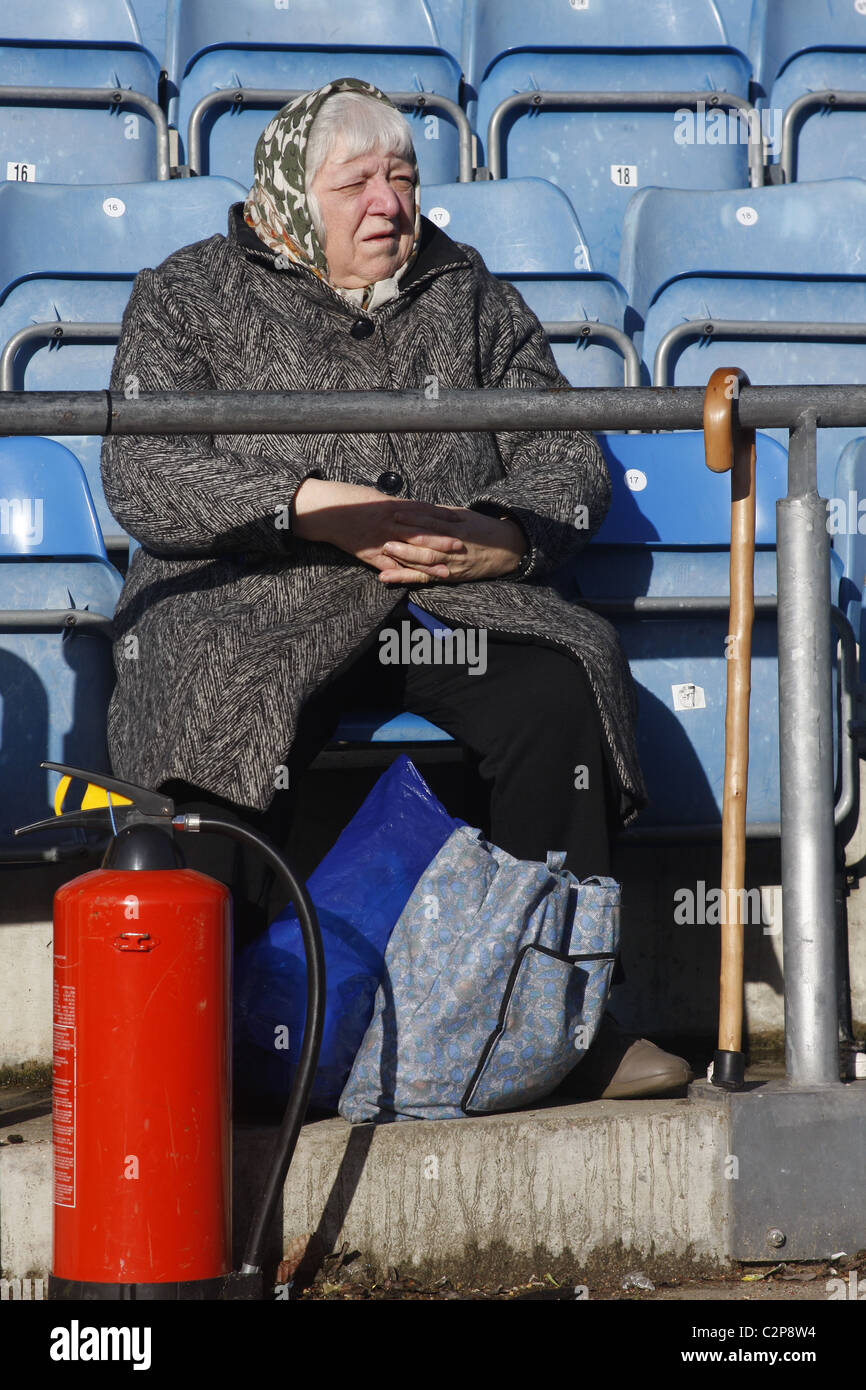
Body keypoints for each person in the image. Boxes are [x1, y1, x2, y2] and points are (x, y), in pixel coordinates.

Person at [100, 76, 690, 1100]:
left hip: (445, 600)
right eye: (356, 184)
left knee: (558, 692)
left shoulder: (466, 288)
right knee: (212, 716)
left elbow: (565, 457)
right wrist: (304, 504)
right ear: (289, 201)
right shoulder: (185, 293)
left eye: (402, 178)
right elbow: (144, 472)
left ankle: (557, 1027)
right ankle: (197, 1046)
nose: (388, 204)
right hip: (254, 599)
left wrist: (502, 537)